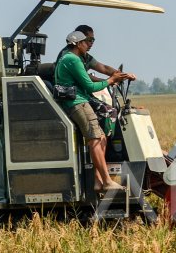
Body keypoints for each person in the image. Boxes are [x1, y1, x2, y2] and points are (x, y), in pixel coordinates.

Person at [55, 30, 131, 192]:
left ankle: (98, 180)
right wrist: (111, 80)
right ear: (78, 44)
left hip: (79, 102)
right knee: (95, 139)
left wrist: (119, 76)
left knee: (101, 136)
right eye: (86, 41)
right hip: (78, 103)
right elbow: (90, 86)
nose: (89, 45)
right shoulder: (73, 60)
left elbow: (98, 72)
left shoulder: (69, 58)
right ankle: (107, 181)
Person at [55, 24, 138, 83]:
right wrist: (108, 81)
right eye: (90, 40)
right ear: (80, 40)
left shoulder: (84, 56)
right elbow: (84, 76)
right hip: (68, 93)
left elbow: (104, 68)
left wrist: (124, 75)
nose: (91, 43)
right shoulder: (68, 56)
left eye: (93, 40)